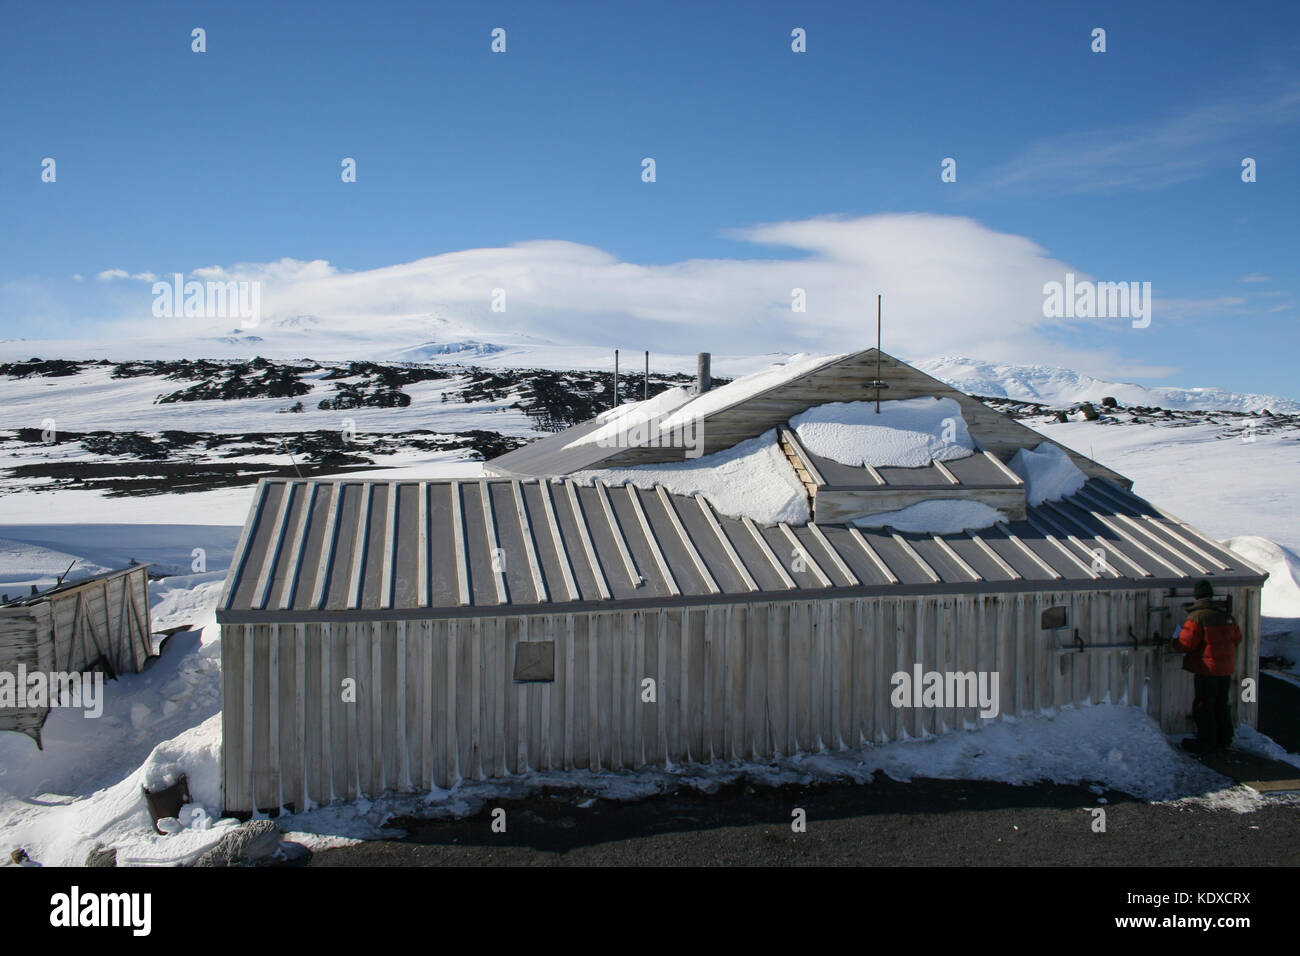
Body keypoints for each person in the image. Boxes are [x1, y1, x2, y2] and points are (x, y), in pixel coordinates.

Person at [1170, 580, 1243, 754]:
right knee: (1221, 704)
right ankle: (1224, 738)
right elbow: (1237, 639)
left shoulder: (1197, 617)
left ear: (1196, 596)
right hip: (1225, 669)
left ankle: (1206, 741)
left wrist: (1174, 639)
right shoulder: (1227, 617)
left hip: (1207, 669)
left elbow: (1185, 644)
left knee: (1204, 705)